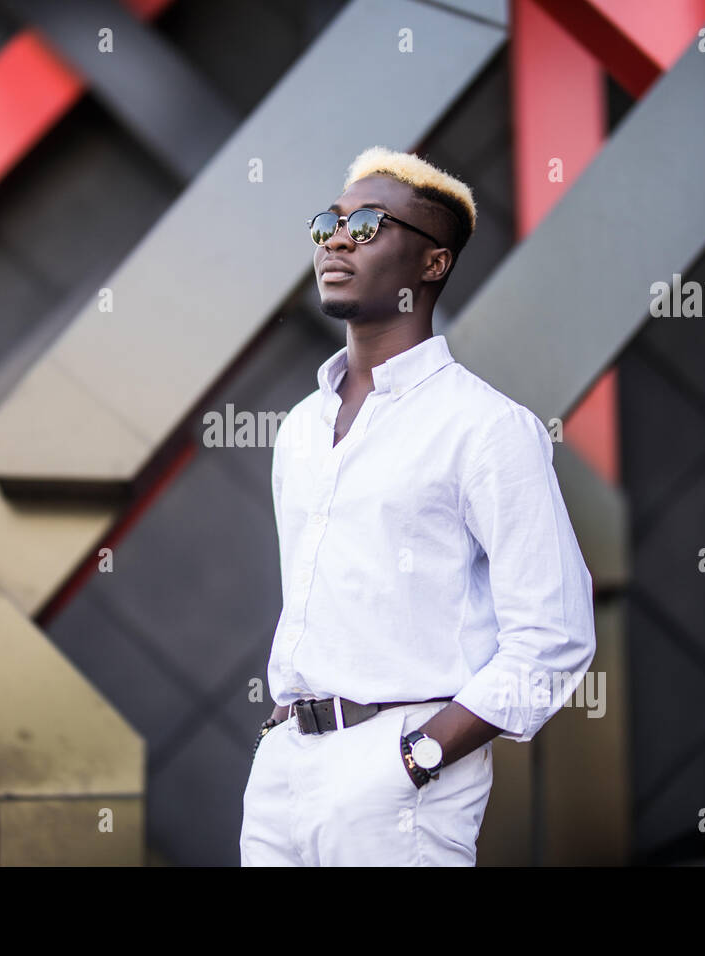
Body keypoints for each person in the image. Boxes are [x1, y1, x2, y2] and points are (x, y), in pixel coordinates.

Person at [239, 146, 597, 866]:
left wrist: (419, 756)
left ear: (433, 264)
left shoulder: (488, 429)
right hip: (282, 770)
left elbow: (555, 637)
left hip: (397, 775)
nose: (338, 240)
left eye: (368, 226)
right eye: (330, 223)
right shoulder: (300, 428)